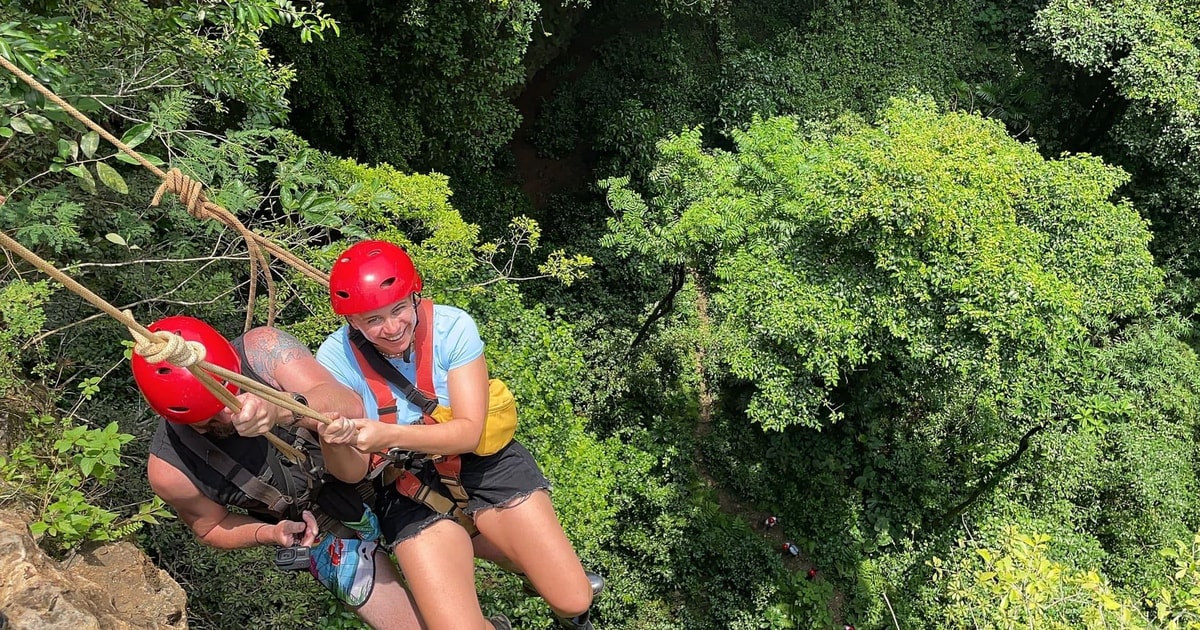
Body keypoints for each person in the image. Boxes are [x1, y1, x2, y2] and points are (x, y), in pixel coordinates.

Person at [315, 240, 599, 630]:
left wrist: (384, 435)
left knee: (574, 597)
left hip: (482, 461)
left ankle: (555, 593)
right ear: (352, 322)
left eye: (399, 309)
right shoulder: (333, 359)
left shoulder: (452, 327)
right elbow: (350, 473)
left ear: (415, 296)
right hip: (404, 483)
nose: (392, 328)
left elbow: (467, 432)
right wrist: (333, 438)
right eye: (372, 320)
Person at [134, 315, 425, 630]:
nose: (228, 415)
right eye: (209, 420)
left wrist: (280, 408)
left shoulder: (263, 350)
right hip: (328, 535)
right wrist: (269, 533)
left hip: (382, 474)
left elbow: (349, 405)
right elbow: (211, 527)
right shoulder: (170, 469)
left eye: (227, 397)